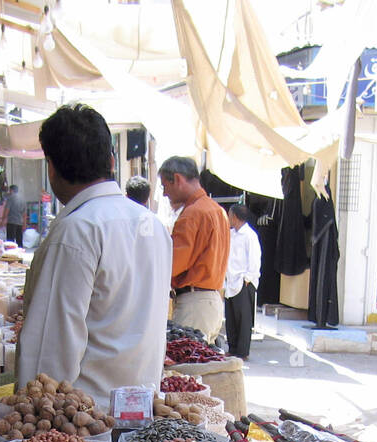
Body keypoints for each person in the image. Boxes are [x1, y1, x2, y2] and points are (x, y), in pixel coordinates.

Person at [16, 104, 172, 406]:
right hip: (140, 408)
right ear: (111, 161)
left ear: (51, 167)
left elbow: (52, 347)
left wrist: (33, 416)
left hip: (85, 418)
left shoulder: (77, 230)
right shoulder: (153, 225)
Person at [158, 156, 229, 344]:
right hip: (211, 301)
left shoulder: (193, 213)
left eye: (165, 186)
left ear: (178, 179)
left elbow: (172, 265)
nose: (165, 194)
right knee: (201, 368)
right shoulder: (216, 210)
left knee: (185, 369)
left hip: (195, 303)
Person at [223, 203, 261, 359]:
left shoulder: (250, 235)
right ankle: (232, 348)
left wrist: (247, 278)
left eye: (230, 215)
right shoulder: (231, 234)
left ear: (236, 217)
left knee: (243, 319)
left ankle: (242, 351)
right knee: (231, 317)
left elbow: (254, 259)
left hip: (244, 281)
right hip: (230, 280)